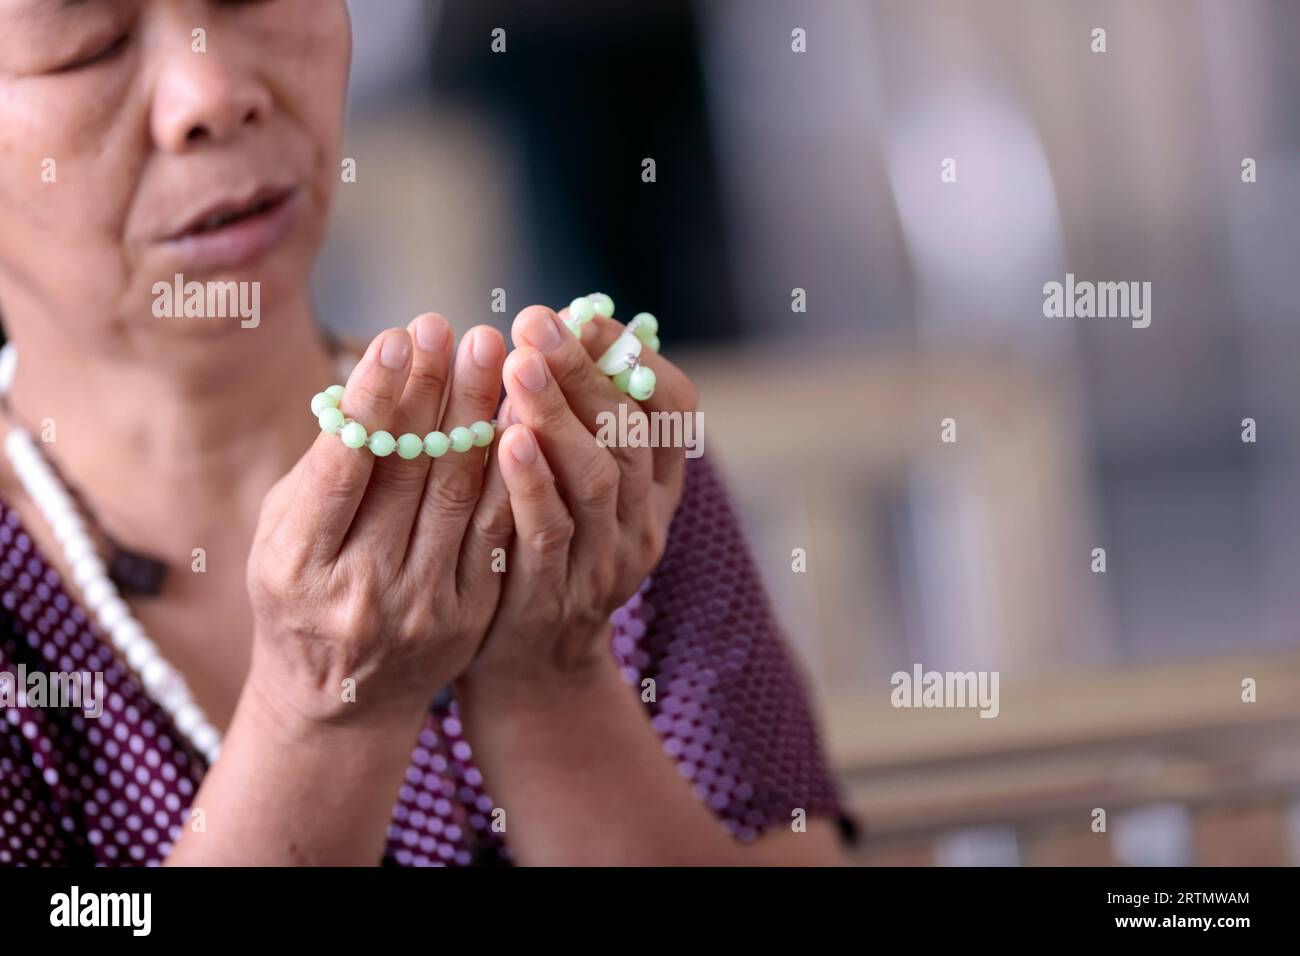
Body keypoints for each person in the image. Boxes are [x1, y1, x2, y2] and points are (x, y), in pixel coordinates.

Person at [0, 0, 850, 865]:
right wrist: (317, 715)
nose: (212, 93)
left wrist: (551, 679)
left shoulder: (582, 475)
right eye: (84, 48)